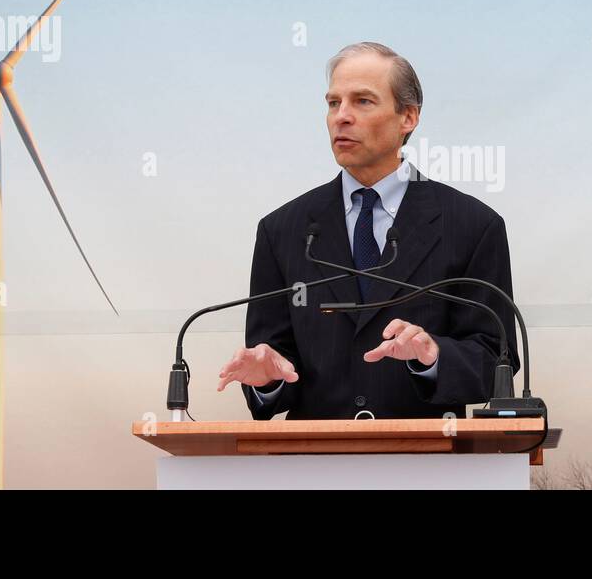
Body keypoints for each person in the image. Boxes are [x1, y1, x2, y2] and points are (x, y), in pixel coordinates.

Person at [216, 41, 519, 419]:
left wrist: (432, 356)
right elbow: (273, 363)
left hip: (430, 466)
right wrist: (266, 380)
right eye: (333, 103)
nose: (341, 116)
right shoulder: (282, 231)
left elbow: (496, 361)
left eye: (362, 101)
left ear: (408, 116)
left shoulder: (473, 225)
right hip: (315, 467)